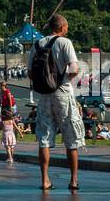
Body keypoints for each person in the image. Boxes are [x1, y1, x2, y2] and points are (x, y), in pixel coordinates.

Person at [27, 15, 83, 191]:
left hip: (44, 96)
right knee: (71, 138)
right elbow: (74, 68)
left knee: (44, 138)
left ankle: (45, 180)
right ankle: (73, 180)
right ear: (63, 27)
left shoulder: (37, 45)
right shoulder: (65, 42)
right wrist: (63, 79)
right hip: (63, 93)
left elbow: (30, 73)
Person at [0, 91, 19, 165]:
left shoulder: (3, 122)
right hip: (12, 134)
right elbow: (16, 128)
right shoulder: (11, 121)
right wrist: (21, 134)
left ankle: (10, 158)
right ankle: (12, 157)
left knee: (7, 147)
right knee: (12, 147)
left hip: (6, 135)